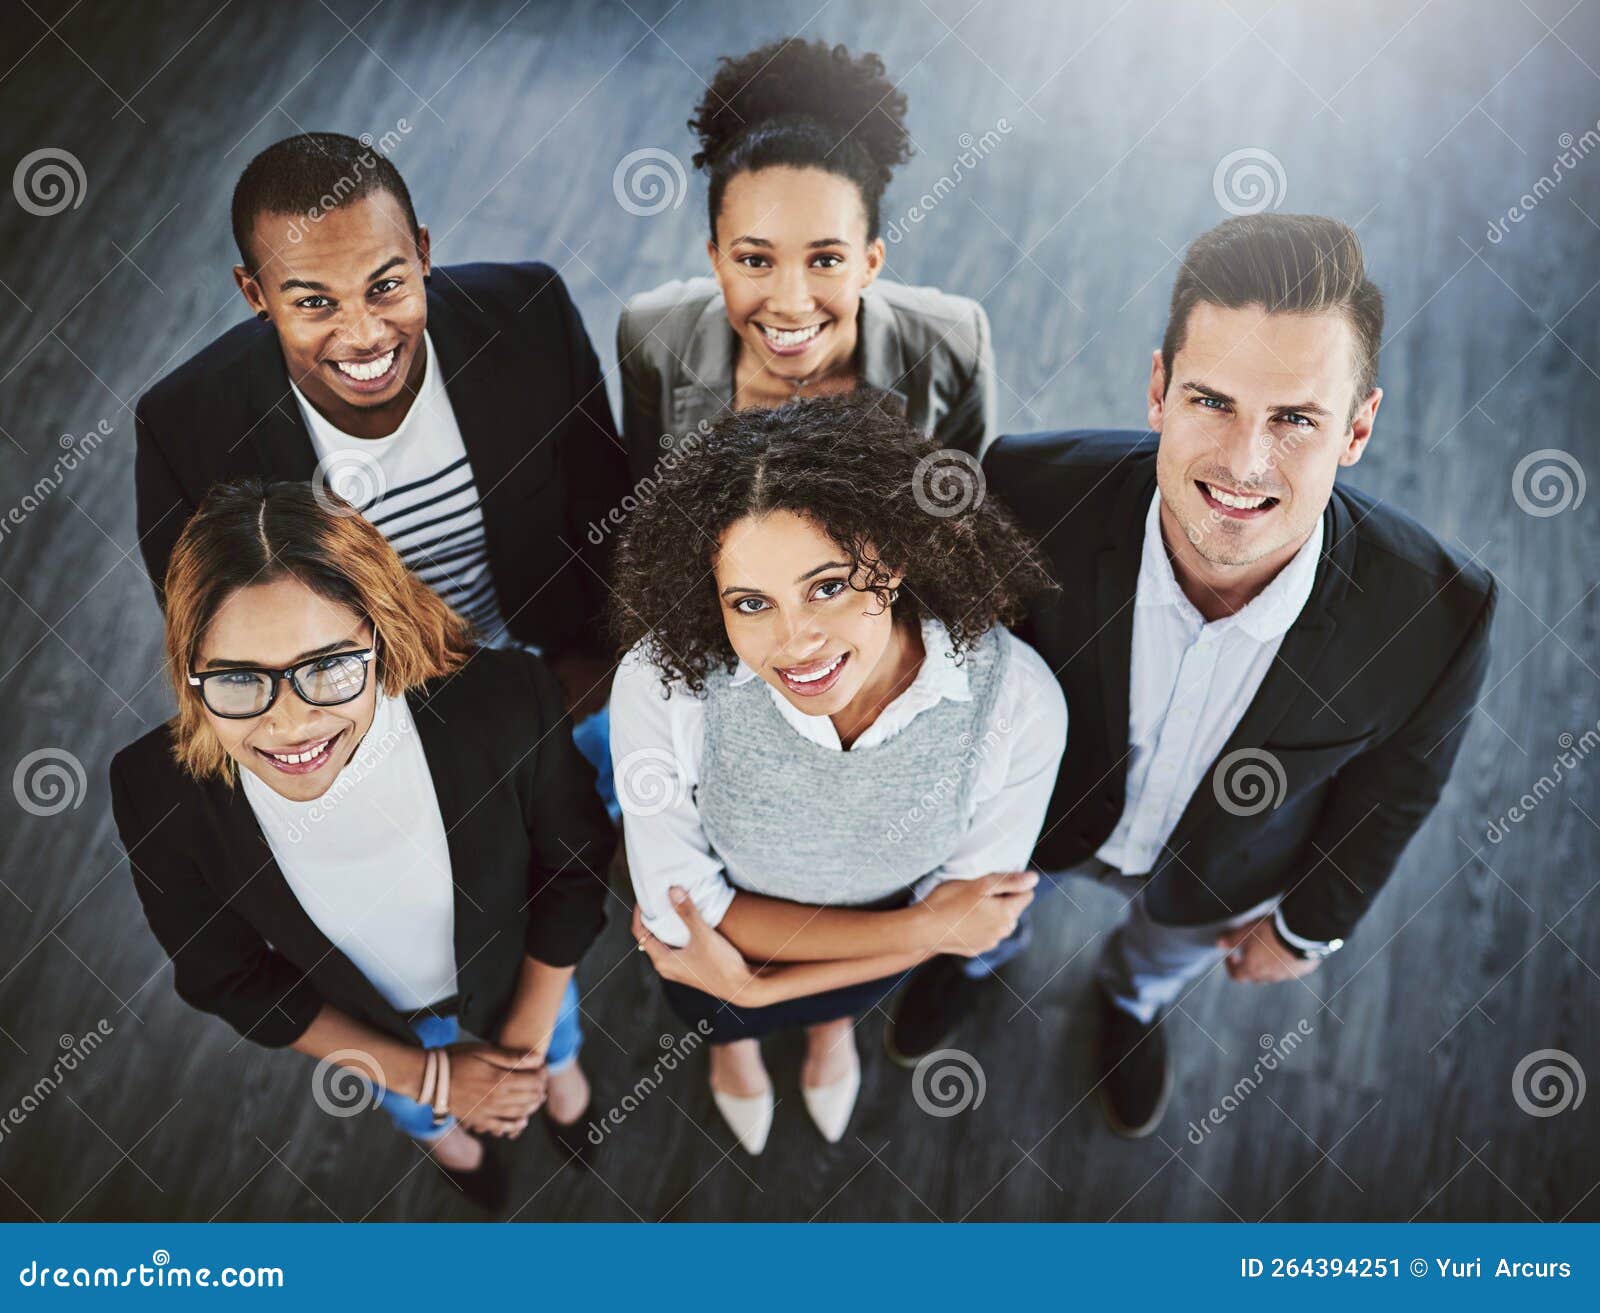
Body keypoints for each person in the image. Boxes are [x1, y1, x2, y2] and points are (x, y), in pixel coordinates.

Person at [887, 214, 1498, 1139]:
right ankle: (970, 962)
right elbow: (946, 670)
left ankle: (1131, 1002)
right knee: (985, 918)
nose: (1246, 464)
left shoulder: (1438, 617)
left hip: (1221, 870)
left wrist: (1305, 927)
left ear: (1358, 428)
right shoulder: (1024, 491)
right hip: (1036, 820)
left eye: (1296, 418)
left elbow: (1398, 789)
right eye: (1213, 401)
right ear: (1159, 390)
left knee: (1155, 959)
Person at [110, 479, 616, 1210]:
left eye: (328, 667)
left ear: (381, 632)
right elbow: (230, 976)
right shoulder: (158, 794)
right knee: (420, 1113)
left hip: (522, 973)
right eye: (240, 679)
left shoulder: (505, 699)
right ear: (192, 676)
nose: (291, 726)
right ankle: (454, 1140)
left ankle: (561, 1086)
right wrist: (431, 1081)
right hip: (374, 1032)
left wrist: (526, 1051)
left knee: (561, 1039)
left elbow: (573, 867)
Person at [609, 393, 1065, 1153]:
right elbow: (678, 916)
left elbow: (967, 915)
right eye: (751, 603)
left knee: (822, 999)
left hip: (852, 953)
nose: (797, 643)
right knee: (715, 1007)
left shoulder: (1017, 704)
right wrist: (916, 928)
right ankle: (733, 1039)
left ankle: (827, 1032)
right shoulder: (660, 685)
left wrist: (764, 983)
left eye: (828, 586)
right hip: (781, 949)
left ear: (891, 556)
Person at [132, 132, 629, 786]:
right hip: (355, 732)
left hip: (556, 679)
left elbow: (615, 520)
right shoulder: (187, 426)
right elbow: (221, 643)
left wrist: (601, 663)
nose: (364, 335)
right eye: (314, 302)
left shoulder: (529, 318)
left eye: (385, 286)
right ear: (255, 295)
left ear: (423, 252)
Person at [617, 37, 996, 484]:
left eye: (827, 259)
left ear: (870, 262)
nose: (792, 304)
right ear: (716, 260)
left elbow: (961, 520)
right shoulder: (653, 341)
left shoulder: (952, 345)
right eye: (756, 261)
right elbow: (646, 512)